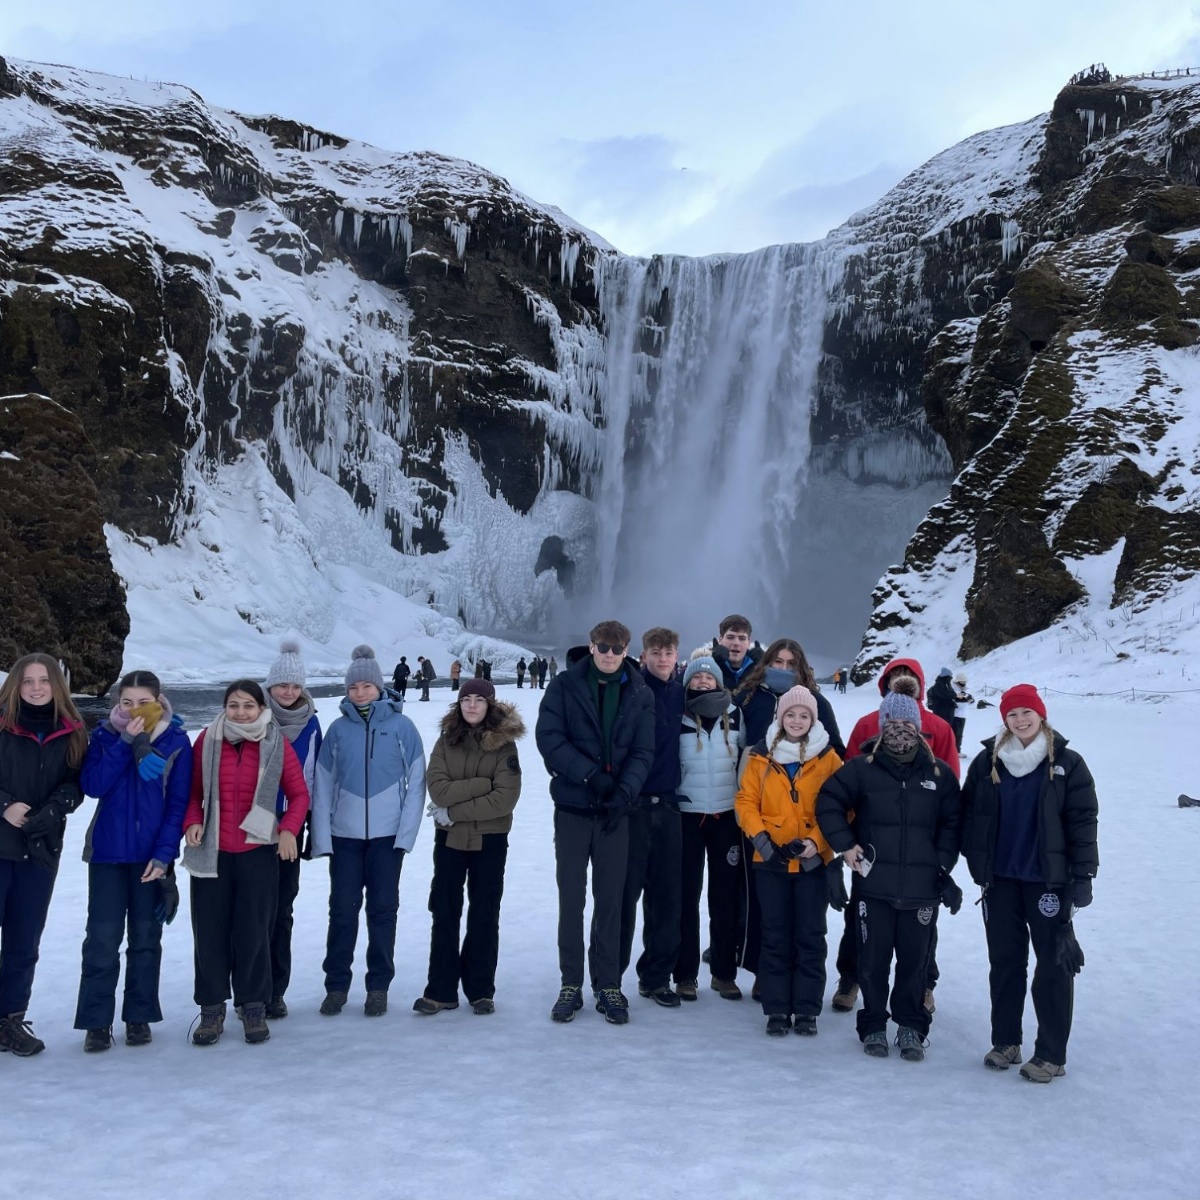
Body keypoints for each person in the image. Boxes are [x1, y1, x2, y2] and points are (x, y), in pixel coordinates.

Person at [960, 684, 1098, 1083]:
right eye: (1012, 714)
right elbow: (969, 815)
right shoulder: (988, 762)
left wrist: (1083, 874)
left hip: (1047, 884)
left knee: (1053, 967)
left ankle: (1051, 1054)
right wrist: (975, 860)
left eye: (1027, 713)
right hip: (1000, 881)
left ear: (1041, 715)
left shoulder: (1067, 763)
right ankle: (1006, 1041)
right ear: (1004, 720)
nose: (1020, 720)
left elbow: (1083, 820)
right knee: (1005, 964)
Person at [817, 691, 962, 1062]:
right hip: (874, 886)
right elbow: (829, 801)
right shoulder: (862, 768)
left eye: (908, 724)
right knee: (873, 960)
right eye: (892, 725)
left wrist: (941, 864)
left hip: (922, 889)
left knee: (915, 962)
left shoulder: (938, 774)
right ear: (881, 727)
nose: (900, 731)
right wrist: (845, 845)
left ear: (919, 727)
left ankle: (912, 1026)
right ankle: (874, 1025)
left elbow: (954, 823)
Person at [535, 621, 655, 1025]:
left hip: (615, 813)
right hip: (573, 808)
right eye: (602, 646)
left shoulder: (639, 691)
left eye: (617, 648)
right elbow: (549, 739)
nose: (608, 654)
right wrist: (590, 775)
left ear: (626, 650)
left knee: (611, 900)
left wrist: (624, 793)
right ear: (590, 646)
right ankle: (571, 983)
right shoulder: (564, 686)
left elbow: (643, 749)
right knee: (572, 899)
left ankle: (608, 984)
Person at [182, 680, 310, 1046]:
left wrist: (288, 830)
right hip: (213, 851)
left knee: (254, 931)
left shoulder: (275, 742)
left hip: (258, 851)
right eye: (234, 705)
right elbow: (193, 792)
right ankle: (211, 1009)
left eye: (248, 706)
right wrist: (192, 820)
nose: (240, 712)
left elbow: (299, 793)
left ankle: (253, 1005)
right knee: (209, 933)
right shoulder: (207, 740)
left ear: (261, 708)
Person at [74, 670, 192, 1052]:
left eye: (144, 702)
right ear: (117, 703)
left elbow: (177, 805)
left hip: (149, 859)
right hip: (107, 855)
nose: (135, 709)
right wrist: (127, 742)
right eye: (127, 702)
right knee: (102, 941)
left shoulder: (175, 741)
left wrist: (163, 857)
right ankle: (96, 1022)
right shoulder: (105, 736)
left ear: (159, 701)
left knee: (145, 939)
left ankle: (138, 1017)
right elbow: (94, 786)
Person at [311, 646, 426, 1018]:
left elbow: (417, 784)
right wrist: (322, 837)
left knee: (382, 911)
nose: (360, 693)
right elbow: (324, 784)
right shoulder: (338, 729)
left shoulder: (401, 727)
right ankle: (336, 986)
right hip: (345, 837)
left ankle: (378, 986)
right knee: (342, 911)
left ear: (379, 687)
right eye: (354, 687)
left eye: (366, 686)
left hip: (386, 838)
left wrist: (404, 837)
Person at [733, 637, 844, 992]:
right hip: (757, 818)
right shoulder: (748, 698)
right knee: (764, 908)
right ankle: (765, 974)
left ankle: (800, 983)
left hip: (808, 829)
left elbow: (836, 758)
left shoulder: (818, 705)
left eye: (790, 664)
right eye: (776, 662)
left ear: (801, 668)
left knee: (806, 917)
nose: (782, 669)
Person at [415, 679, 524, 1016]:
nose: (472, 706)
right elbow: (439, 792)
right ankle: (440, 990)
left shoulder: (505, 746)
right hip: (448, 840)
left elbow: (505, 798)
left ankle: (480, 990)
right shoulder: (446, 740)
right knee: (444, 911)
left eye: (479, 700)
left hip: (489, 840)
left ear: (490, 704)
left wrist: (455, 811)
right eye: (467, 700)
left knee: (484, 913)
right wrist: (481, 785)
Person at [0, 654, 88, 1056]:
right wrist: (5, 805)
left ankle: (10, 1020)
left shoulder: (71, 730)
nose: (36, 688)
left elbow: (75, 782)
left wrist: (56, 807)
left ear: (58, 685)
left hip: (40, 849)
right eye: (28, 681)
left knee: (23, 939)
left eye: (44, 681)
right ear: (15, 686)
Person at [618, 628, 685, 1008]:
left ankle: (656, 978)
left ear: (677, 655)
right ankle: (610, 977)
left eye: (669, 652)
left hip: (670, 806)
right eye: (656, 652)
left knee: (666, 898)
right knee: (624, 895)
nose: (663, 659)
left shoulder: (682, 694)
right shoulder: (630, 691)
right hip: (632, 807)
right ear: (643, 655)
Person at [675, 652, 744, 1001]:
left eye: (709, 677)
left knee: (725, 898)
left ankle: (723, 972)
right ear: (688, 683)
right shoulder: (678, 716)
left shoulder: (737, 715)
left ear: (719, 682)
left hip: (727, 817)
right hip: (688, 816)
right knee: (687, 896)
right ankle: (685, 974)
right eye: (696, 678)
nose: (703, 682)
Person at [263, 640, 323, 1019]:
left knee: (283, 908)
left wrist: (307, 825)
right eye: (282, 685)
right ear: (270, 687)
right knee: (254, 911)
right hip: (251, 828)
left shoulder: (312, 724)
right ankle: (251, 988)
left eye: (295, 685)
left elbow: (314, 776)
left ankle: (275, 990)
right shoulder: (254, 717)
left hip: (291, 827)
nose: (288, 692)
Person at [710, 614, 762, 712]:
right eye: (730, 637)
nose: (736, 643)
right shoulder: (703, 666)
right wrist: (713, 663)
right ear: (720, 639)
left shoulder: (760, 670)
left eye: (742, 638)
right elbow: (683, 685)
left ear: (749, 642)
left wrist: (766, 665)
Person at [952, 673, 975, 753]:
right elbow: (955, 702)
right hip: (955, 715)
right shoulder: (953, 690)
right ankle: (955, 751)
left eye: (964, 682)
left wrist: (970, 700)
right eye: (962, 682)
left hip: (962, 715)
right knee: (956, 734)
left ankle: (957, 750)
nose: (964, 683)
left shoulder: (964, 690)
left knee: (959, 734)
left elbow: (971, 701)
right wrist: (964, 700)